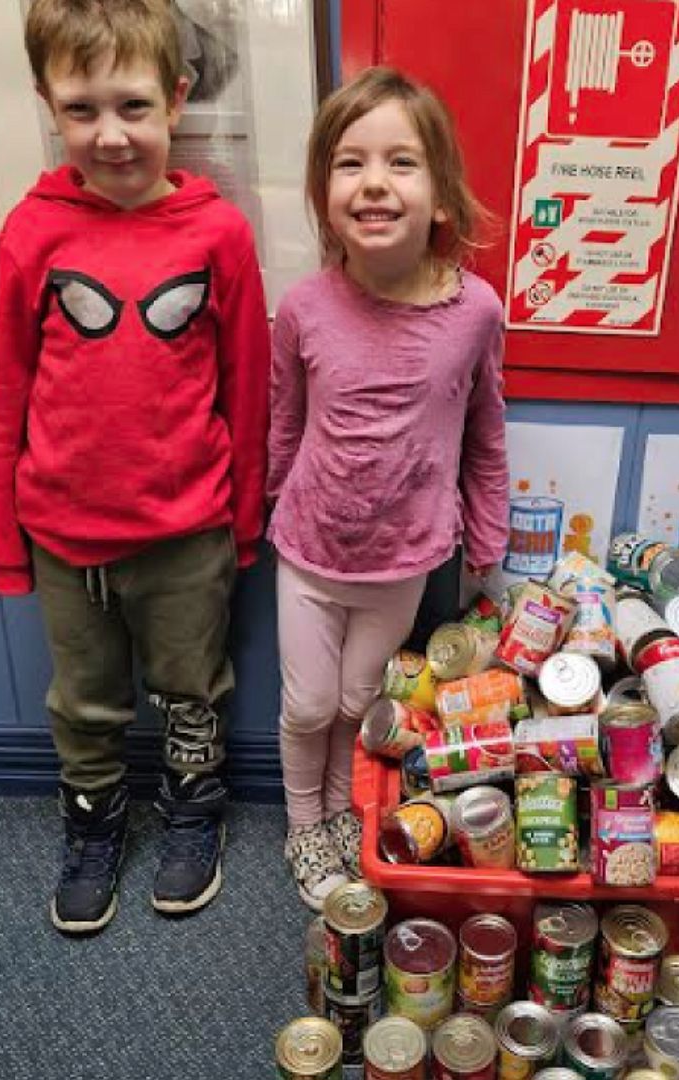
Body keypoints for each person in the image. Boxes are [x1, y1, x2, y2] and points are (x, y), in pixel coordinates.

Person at [0, 0, 269, 934]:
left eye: (134, 106)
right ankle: (94, 820)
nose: (111, 134)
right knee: (85, 702)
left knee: (193, 687)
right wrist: (4, 547)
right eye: (82, 108)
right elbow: (5, 399)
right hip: (65, 534)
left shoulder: (217, 234)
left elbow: (248, 389)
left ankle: (193, 811)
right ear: (47, 104)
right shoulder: (34, 231)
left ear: (177, 99)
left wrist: (246, 521)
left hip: (189, 530)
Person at [267, 66, 509, 910]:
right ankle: (305, 821)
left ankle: (343, 812)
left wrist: (488, 537)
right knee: (307, 706)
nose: (373, 182)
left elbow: (486, 431)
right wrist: (261, 505)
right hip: (307, 549)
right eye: (349, 163)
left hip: (405, 563)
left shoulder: (476, 310)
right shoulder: (303, 308)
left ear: (441, 196)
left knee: (362, 703)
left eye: (400, 162)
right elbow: (285, 420)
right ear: (324, 192)